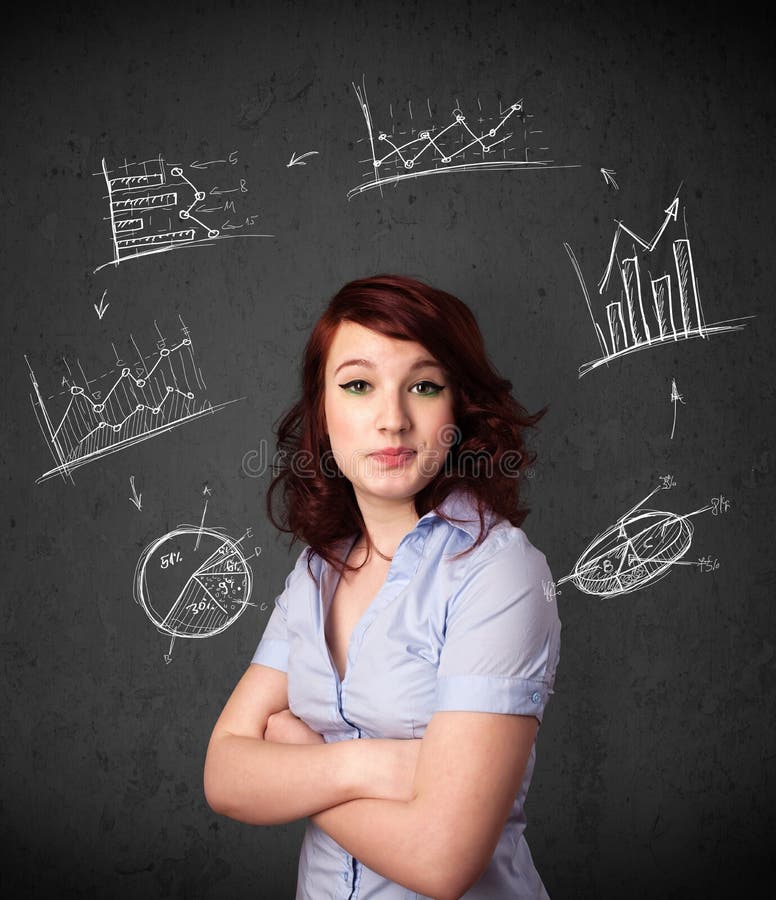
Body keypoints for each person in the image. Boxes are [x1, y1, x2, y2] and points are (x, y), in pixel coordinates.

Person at [204, 274, 561, 899]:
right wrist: (372, 764)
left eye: (423, 386)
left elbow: (440, 860)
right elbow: (225, 777)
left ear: (459, 411)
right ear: (322, 410)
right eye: (358, 385)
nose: (391, 420)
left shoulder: (500, 572)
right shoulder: (315, 574)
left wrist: (299, 761)